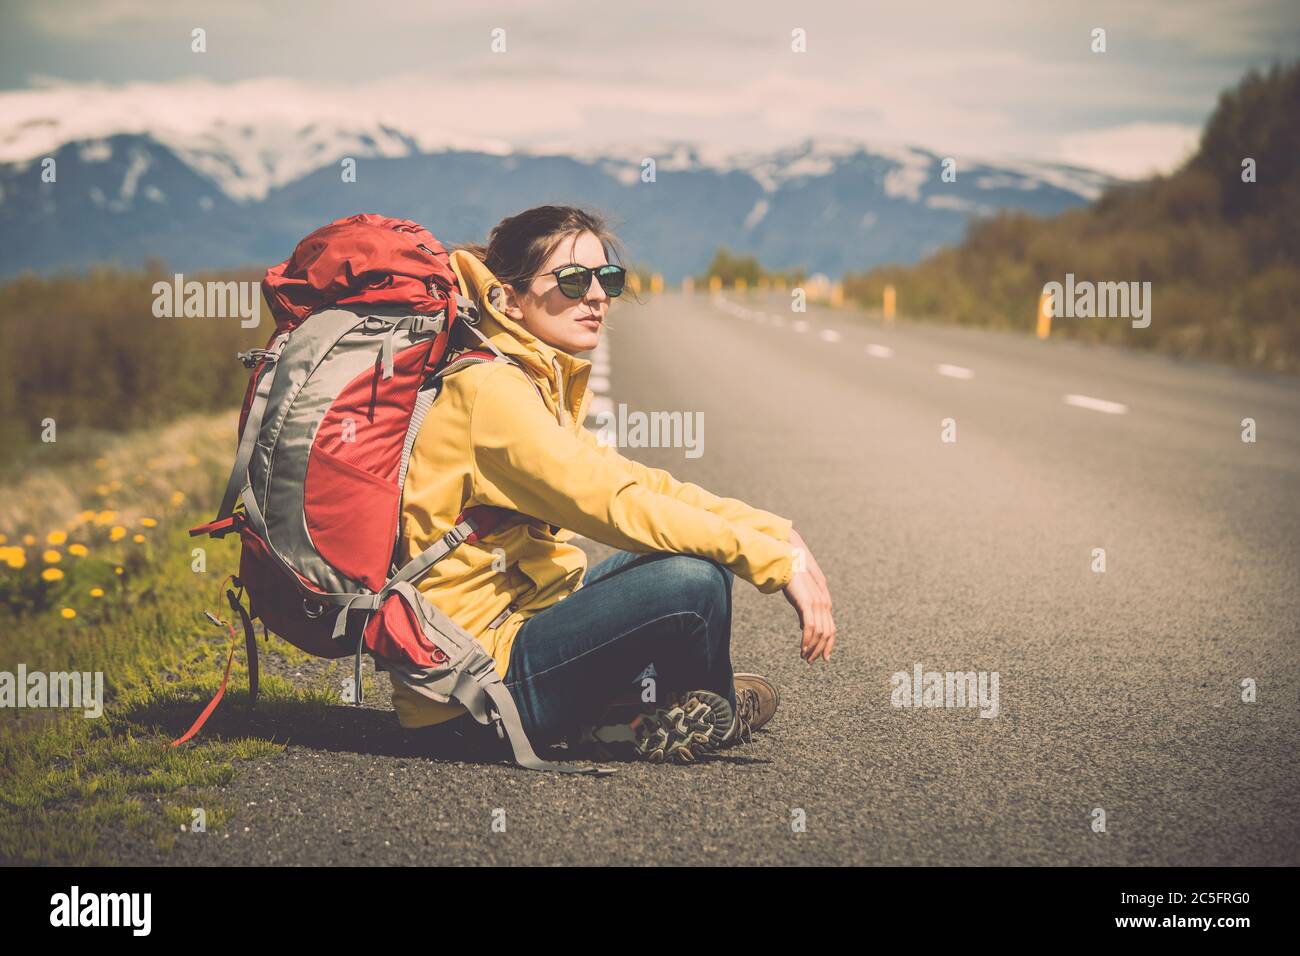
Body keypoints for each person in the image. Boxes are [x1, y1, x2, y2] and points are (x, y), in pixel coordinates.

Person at [389, 204, 836, 764]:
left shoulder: (525, 375)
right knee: (690, 584)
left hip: (520, 632)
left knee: (699, 560)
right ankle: (702, 712)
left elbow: (633, 479)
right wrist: (773, 565)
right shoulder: (490, 393)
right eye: (573, 281)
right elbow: (612, 504)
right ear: (508, 297)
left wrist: (775, 532)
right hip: (475, 691)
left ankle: (647, 712)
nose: (597, 296)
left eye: (608, 279)